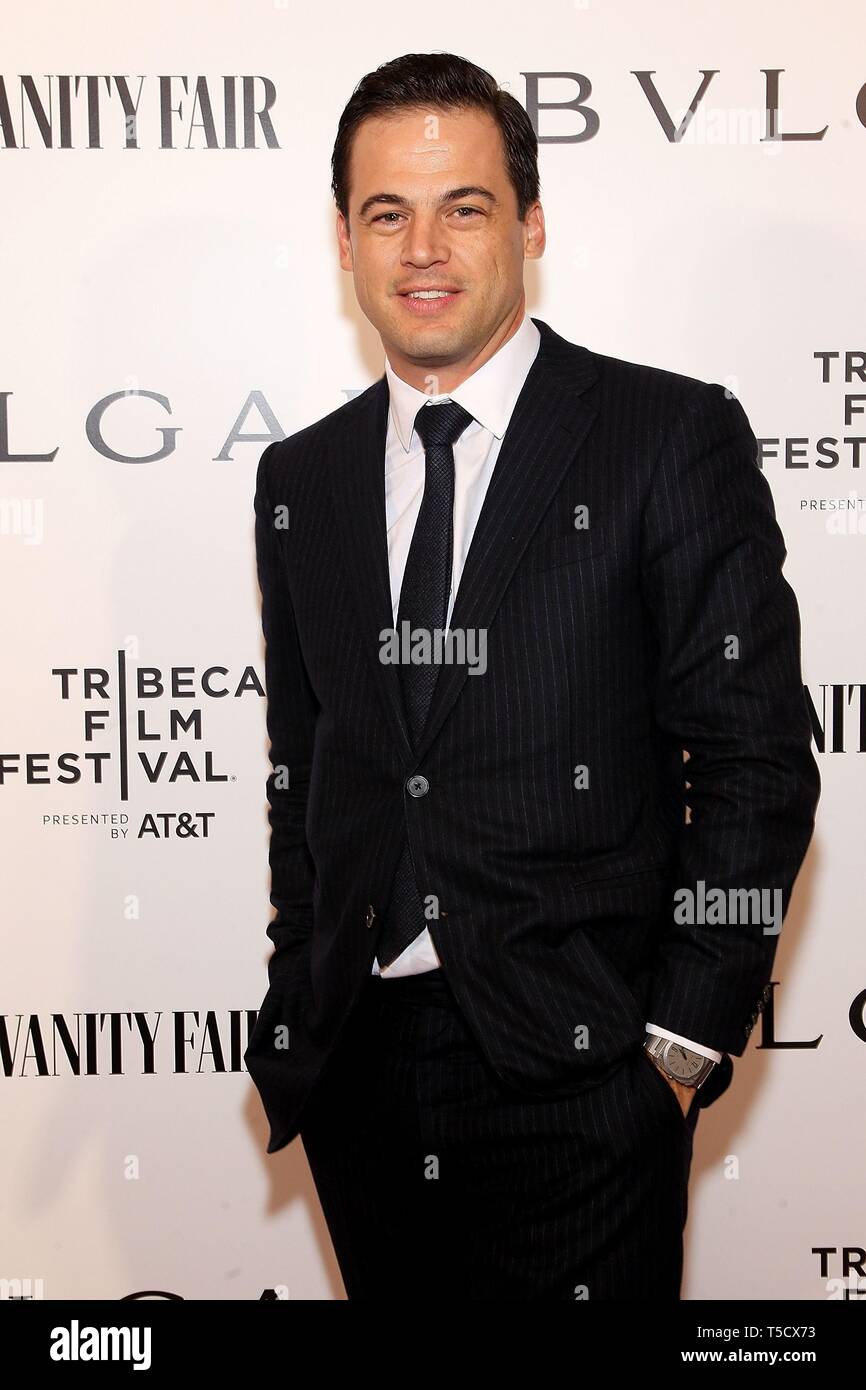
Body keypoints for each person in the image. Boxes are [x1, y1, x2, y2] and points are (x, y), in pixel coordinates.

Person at [244, 51, 820, 1299]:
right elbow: (311, 766)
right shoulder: (301, 479)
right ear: (343, 242)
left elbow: (754, 764)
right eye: (386, 214)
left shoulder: (662, 436)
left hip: (578, 1074)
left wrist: (673, 1048)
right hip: (358, 1074)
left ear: (531, 222)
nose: (424, 248)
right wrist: (302, 986)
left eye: (464, 206)